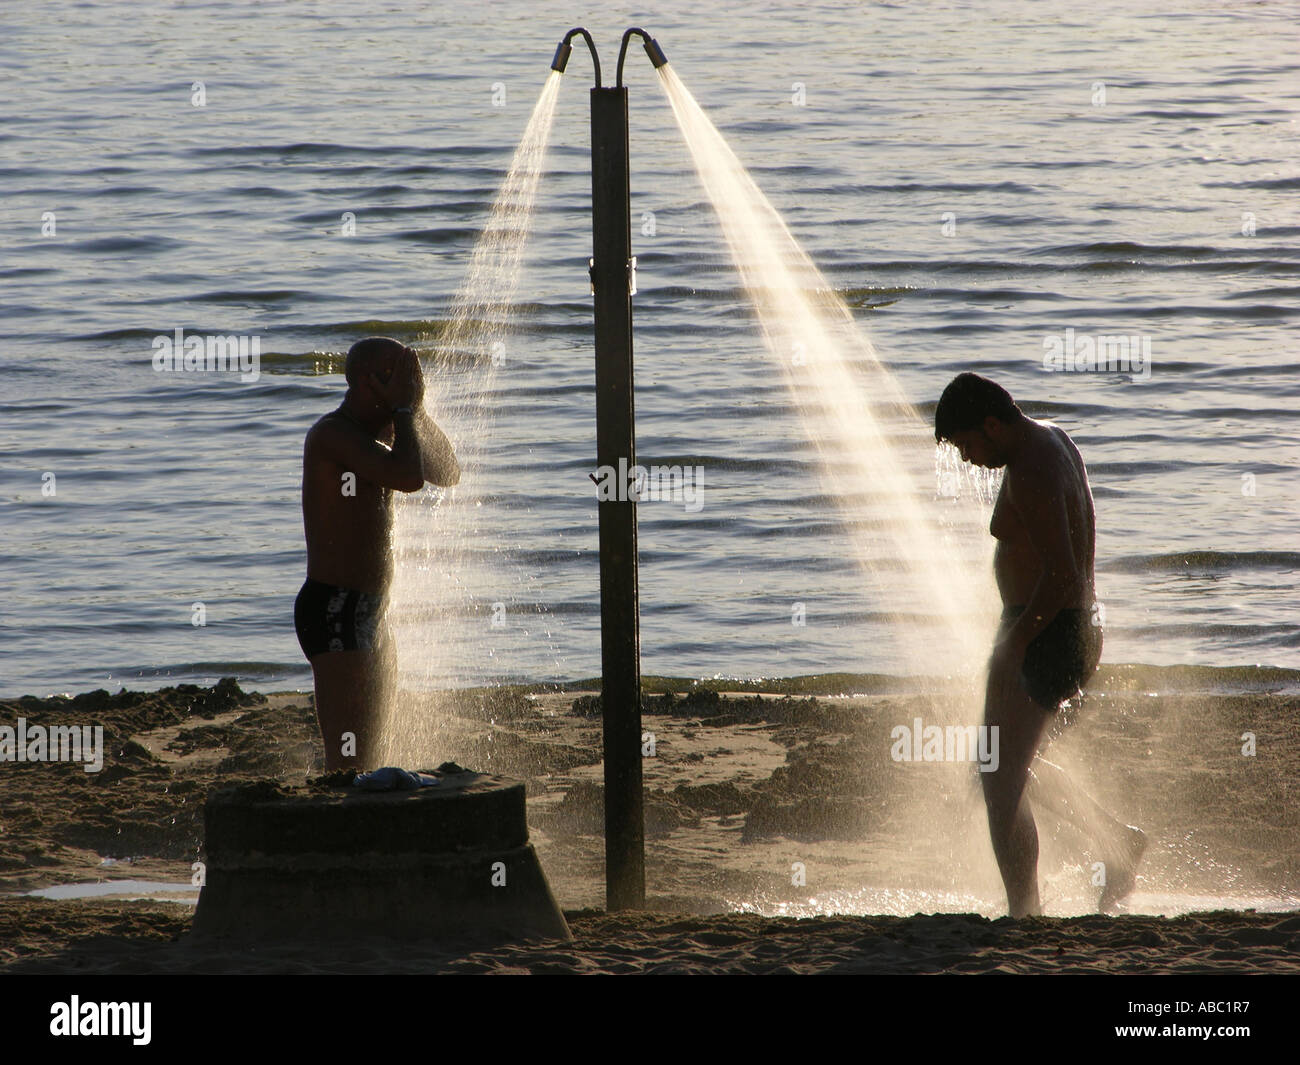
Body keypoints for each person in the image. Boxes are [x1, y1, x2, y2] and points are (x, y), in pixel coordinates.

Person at [935, 372, 1145, 917]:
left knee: (1000, 786)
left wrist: (1015, 643)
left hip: (1048, 633)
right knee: (1006, 768)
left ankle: (1023, 916)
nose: (966, 458)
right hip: (1065, 629)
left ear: (991, 424)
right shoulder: (1051, 437)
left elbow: (1063, 578)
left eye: (966, 444)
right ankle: (1119, 844)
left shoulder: (1031, 469)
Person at [295, 336, 460, 770]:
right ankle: (338, 828)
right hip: (336, 609)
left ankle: (366, 821)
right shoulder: (332, 435)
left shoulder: (385, 431)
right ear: (370, 381)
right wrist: (404, 410)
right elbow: (408, 478)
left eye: (413, 374)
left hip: (372, 610)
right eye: (400, 373)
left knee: (374, 748)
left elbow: (445, 471)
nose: (411, 381)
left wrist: (415, 410)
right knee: (350, 761)